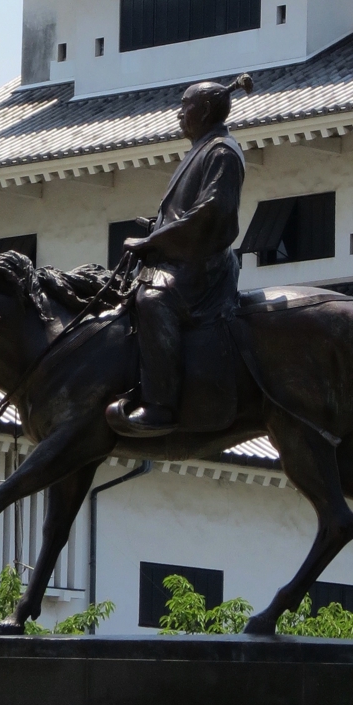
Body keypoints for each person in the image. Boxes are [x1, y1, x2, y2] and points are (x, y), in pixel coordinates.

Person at [105, 75, 251, 437]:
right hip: (184, 257)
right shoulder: (204, 149)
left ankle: (160, 404)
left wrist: (153, 241)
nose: (178, 114)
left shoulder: (221, 152)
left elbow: (210, 215)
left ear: (203, 110)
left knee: (152, 299)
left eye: (184, 107)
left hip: (203, 266)